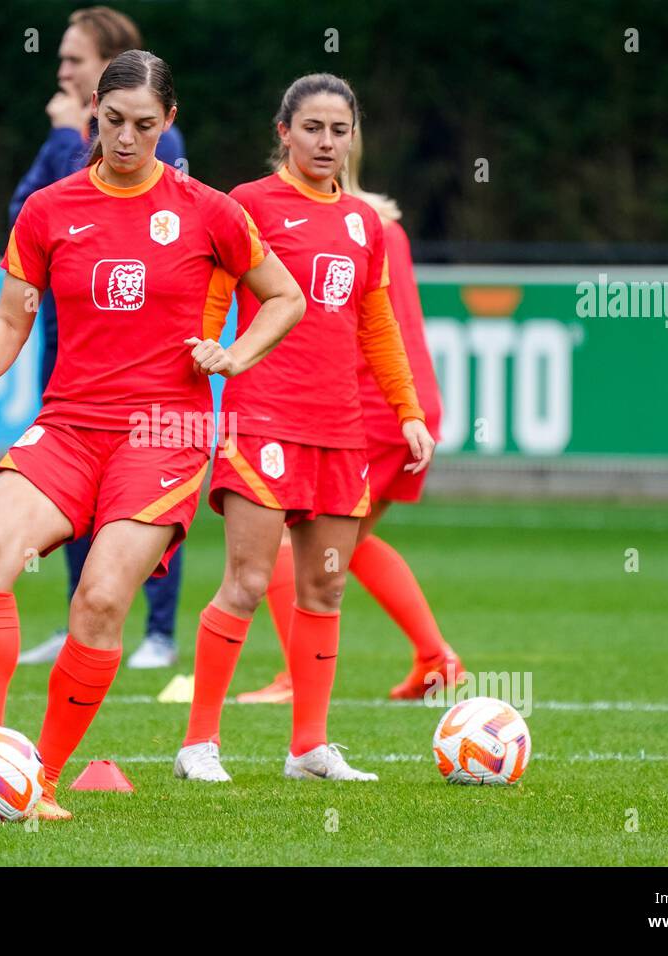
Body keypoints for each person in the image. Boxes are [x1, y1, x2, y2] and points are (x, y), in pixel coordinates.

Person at [0, 50, 304, 819]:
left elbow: (284, 297)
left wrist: (234, 356)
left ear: (169, 122)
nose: (127, 139)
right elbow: (13, 317)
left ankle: (35, 775)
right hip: (69, 424)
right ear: (94, 119)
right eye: (113, 122)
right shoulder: (47, 208)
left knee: (101, 600)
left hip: (164, 433)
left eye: (145, 125)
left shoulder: (210, 210)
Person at [174, 73, 435, 784]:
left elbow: (377, 324)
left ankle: (308, 749)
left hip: (340, 429)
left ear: (354, 138)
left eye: (339, 130)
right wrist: (205, 353)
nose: (326, 142)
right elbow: (214, 294)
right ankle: (199, 744)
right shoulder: (246, 206)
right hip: (263, 420)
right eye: (312, 128)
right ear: (283, 132)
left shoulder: (364, 224)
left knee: (325, 590)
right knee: (249, 581)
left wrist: (407, 410)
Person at [236, 128, 465, 705]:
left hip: (365, 406)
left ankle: (296, 677)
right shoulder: (381, 223)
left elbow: (359, 330)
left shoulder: (354, 225)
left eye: (335, 133)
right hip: (406, 405)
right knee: (345, 547)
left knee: (298, 545)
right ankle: (435, 657)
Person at [9, 6, 189, 670]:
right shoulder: (76, 131)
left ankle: (159, 631)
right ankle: (79, 613)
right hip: (68, 332)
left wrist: (65, 138)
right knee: (76, 491)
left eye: (73, 58)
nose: (60, 69)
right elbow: (26, 213)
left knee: (150, 486)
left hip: (142, 355)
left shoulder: (145, 144)